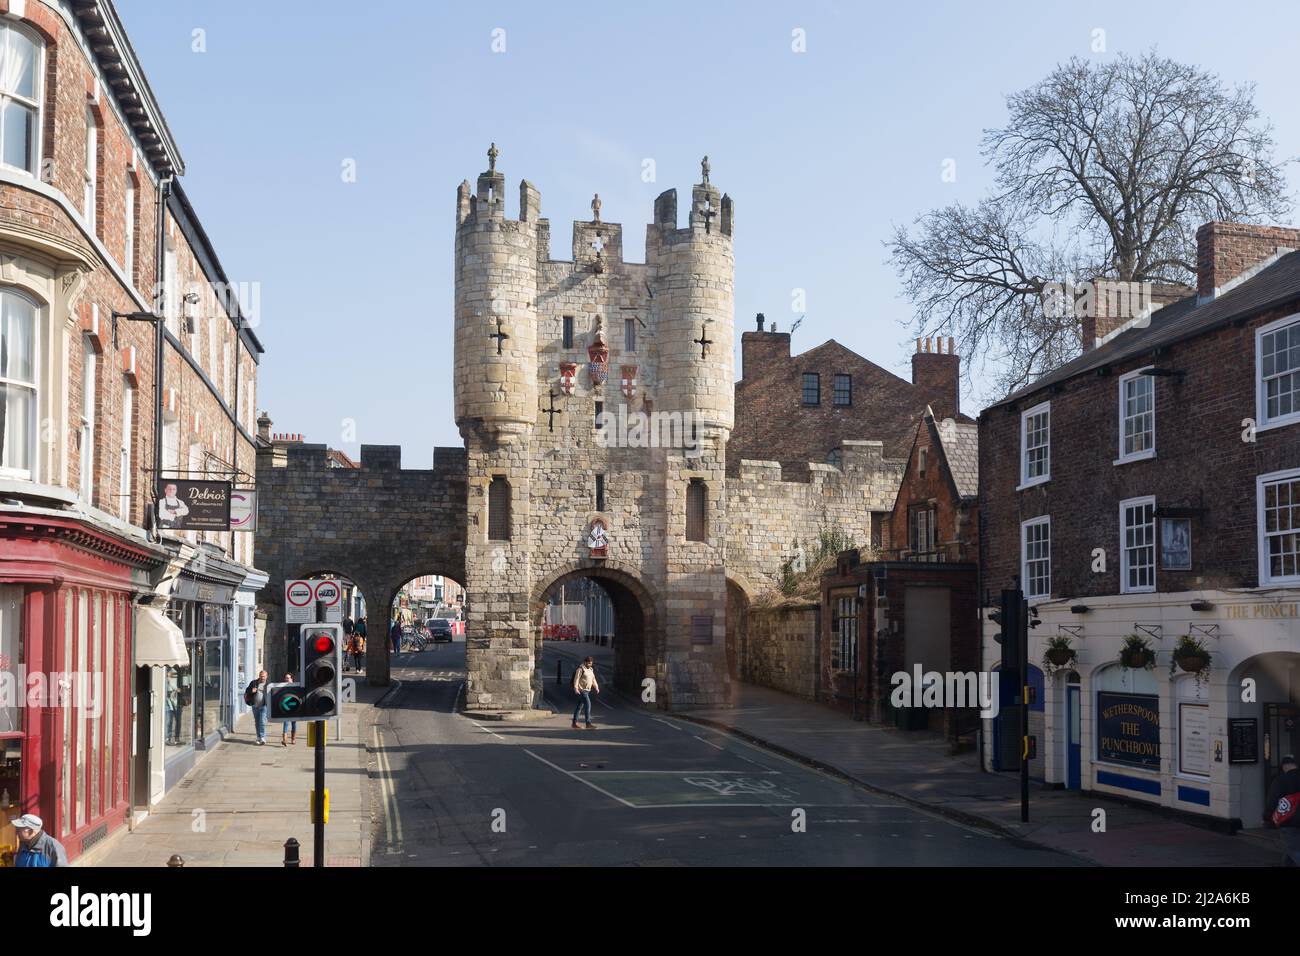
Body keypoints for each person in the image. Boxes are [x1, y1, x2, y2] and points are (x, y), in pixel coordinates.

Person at [1264, 753, 1300, 866]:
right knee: (1290, 850)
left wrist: (1267, 817)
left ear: (1284, 766)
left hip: (1288, 820)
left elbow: (1272, 801)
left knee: (1294, 849)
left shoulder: (1280, 780)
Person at [571, 655, 600, 730]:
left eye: (591, 663)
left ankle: (574, 723)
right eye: (589, 663)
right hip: (582, 690)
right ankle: (588, 723)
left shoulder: (591, 669)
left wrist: (596, 687)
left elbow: (593, 679)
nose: (590, 664)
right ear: (585, 662)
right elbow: (576, 679)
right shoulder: (580, 669)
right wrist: (576, 688)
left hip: (587, 690)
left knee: (579, 707)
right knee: (588, 704)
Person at [245, 669, 269, 745]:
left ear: (266, 676)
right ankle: (258, 737)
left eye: (264, 676)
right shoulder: (254, 683)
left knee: (262, 722)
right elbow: (247, 691)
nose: (262, 678)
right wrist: (252, 691)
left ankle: (262, 737)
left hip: (264, 706)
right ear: (259, 676)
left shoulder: (268, 684)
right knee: (257, 722)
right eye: (261, 676)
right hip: (255, 706)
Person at [280, 672, 298, 746]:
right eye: (285, 678)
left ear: (291, 678)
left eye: (288, 678)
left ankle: (293, 739)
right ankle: (284, 740)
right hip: (286, 706)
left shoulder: (295, 686)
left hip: (294, 706)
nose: (286, 679)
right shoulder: (283, 686)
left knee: (294, 723)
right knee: (286, 723)